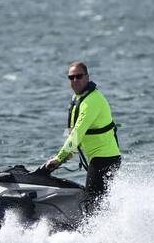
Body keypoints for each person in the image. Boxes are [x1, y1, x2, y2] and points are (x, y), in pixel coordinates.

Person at [42, 61, 121, 215]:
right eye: (71, 77)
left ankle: (98, 234)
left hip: (105, 158)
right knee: (96, 200)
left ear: (87, 77)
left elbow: (77, 132)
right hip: (97, 158)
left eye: (79, 76)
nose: (75, 81)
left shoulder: (92, 101)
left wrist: (60, 157)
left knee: (93, 201)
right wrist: (67, 153)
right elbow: (72, 129)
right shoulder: (79, 97)